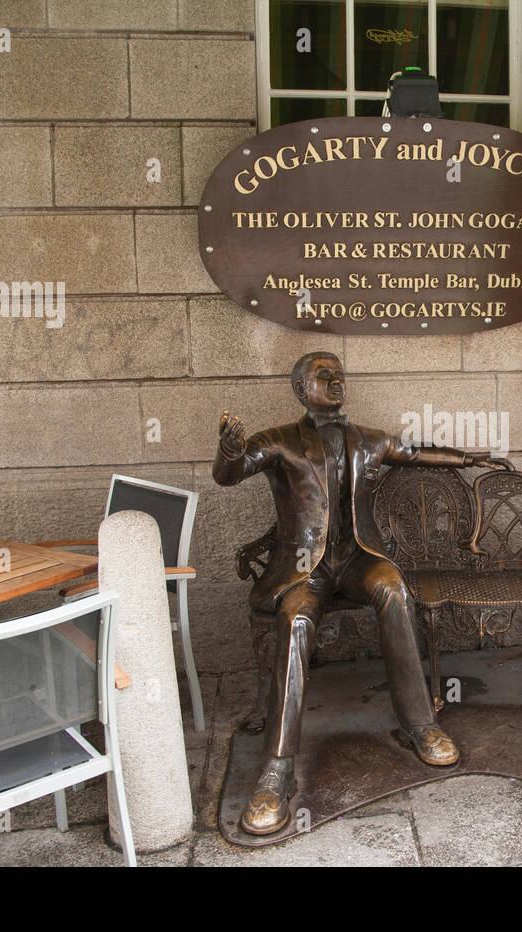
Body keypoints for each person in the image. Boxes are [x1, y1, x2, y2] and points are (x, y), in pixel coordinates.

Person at [213, 351, 501, 834]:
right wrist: (227, 452)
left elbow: (414, 453)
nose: (335, 379)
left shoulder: (367, 438)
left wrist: (469, 458)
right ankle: (277, 768)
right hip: (305, 567)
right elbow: (231, 473)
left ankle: (420, 724)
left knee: (393, 587)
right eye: (323, 375)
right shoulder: (279, 441)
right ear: (302, 388)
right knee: (297, 617)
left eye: (339, 373)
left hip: (357, 559)